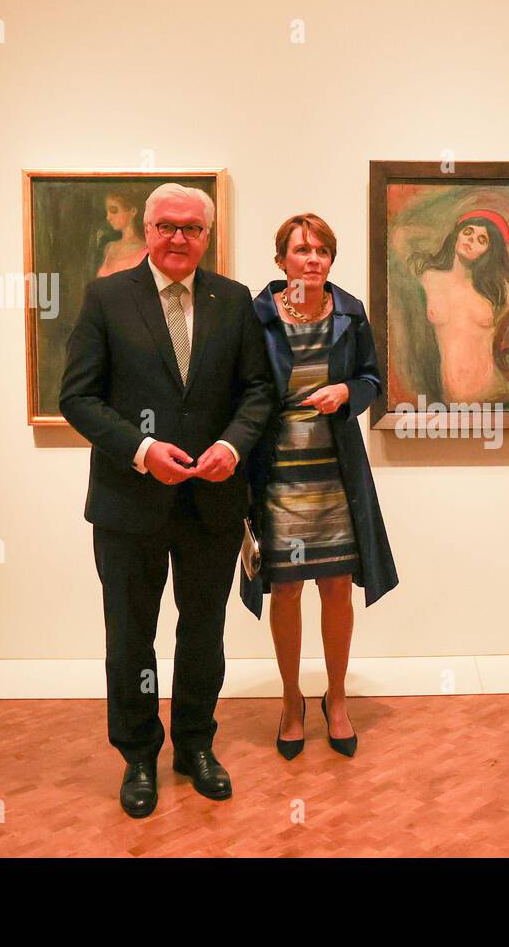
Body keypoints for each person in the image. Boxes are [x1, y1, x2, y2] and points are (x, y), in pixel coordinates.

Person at [60, 183, 276, 818]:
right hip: (130, 502)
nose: (178, 238)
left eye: (191, 228)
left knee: (203, 632)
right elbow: (78, 397)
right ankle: (136, 755)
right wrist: (141, 449)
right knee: (131, 636)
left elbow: (258, 391)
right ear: (148, 230)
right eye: (166, 226)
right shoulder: (107, 297)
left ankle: (194, 744)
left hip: (212, 501)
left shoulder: (233, 301)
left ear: (207, 236)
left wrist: (232, 448)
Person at [240, 213, 398, 759]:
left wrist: (346, 394)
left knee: (335, 587)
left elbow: (375, 379)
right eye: (301, 249)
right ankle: (290, 701)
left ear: (332, 259)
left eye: (322, 251)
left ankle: (336, 699)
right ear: (280, 258)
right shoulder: (255, 315)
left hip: (335, 474)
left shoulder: (350, 314)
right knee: (284, 589)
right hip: (277, 472)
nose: (312, 259)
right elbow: (242, 388)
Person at [409, 210, 509, 402]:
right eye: (468, 232)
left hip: (494, 395)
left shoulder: (504, 288)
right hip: (448, 400)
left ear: (490, 251)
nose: (471, 240)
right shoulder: (428, 279)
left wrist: (501, 359)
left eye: (482, 240)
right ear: (456, 234)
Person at [96, 192, 148, 277]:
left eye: (113, 211)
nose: (108, 217)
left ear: (133, 211)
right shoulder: (109, 248)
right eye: (107, 212)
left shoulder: (147, 252)